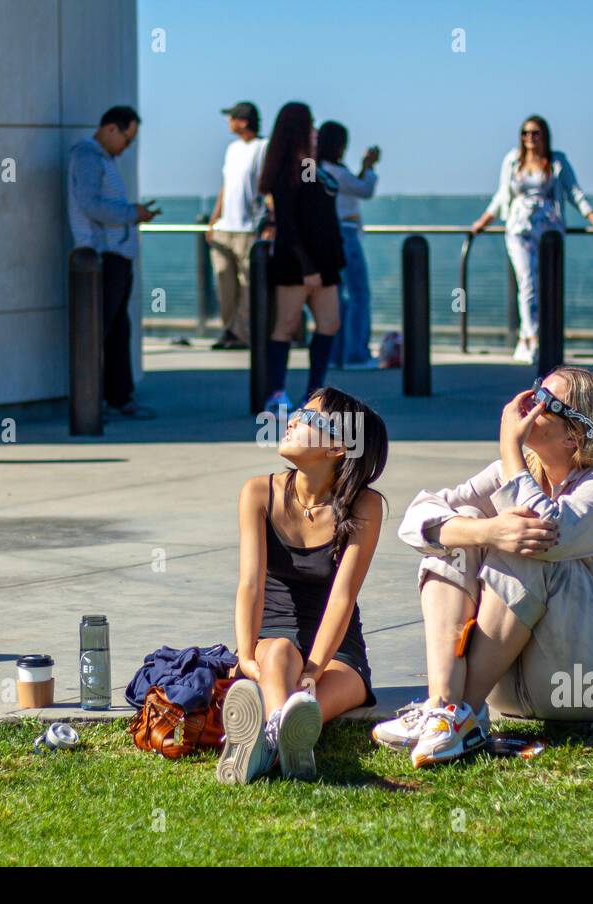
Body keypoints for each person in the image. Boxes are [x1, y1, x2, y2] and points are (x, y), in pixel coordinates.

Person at [375, 367, 593, 767]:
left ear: (575, 434)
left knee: (525, 540)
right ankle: (445, 707)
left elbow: (550, 532)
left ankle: (461, 713)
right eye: (532, 390)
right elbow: (417, 519)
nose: (524, 404)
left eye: (543, 400)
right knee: (464, 531)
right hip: (510, 691)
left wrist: (510, 449)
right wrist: (484, 530)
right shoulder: (519, 472)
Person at [218, 387, 389, 784]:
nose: (293, 419)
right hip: (273, 632)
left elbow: (342, 597)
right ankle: (287, 744)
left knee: (313, 701)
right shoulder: (259, 492)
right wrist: (246, 655)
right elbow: (250, 585)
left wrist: (313, 668)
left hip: (337, 646)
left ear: (337, 449)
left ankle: (269, 742)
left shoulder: (365, 506)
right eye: (298, 411)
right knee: (278, 655)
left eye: (311, 418)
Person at [472, 115, 593, 365]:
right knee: (527, 282)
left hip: (549, 231)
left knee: (545, 284)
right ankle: (532, 338)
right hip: (519, 228)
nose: (530, 138)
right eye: (525, 133)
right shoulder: (512, 161)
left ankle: (537, 336)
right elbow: (502, 196)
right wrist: (483, 222)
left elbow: (574, 193)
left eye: (535, 133)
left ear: (544, 136)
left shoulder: (557, 161)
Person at [67, 105, 161, 419]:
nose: (127, 147)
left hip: (115, 258)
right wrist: (132, 214)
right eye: (127, 138)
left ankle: (118, 396)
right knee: (102, 330)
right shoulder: (88, 156)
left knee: (118, 329)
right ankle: (93, 402)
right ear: (111, 129)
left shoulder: (102, 159)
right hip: (101, 259)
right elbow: (90, 204)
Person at [258, 103, 347, 415]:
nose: (315, 132)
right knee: (285, 325)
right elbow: (289, 224)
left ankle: (314, 395)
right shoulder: (287, 172)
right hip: (297, 264)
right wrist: (307, 268)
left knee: (329, 323)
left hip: (326, 263)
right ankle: (276, 393)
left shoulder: (314, 166)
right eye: (309, 126)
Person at [316, 121, 380, 370]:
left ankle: (336, 354)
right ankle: (356, 354)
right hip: (347, 233)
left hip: (328, 235)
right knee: (359, 294)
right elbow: (364, 189)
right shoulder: (337, 172)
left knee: (337, 297)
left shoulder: (318, 169)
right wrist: (369, 167)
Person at [206, 102, 268, 350]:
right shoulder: (231, 149)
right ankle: (228, 330)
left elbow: (266, 186)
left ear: (243, 121)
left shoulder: (263, 147)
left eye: (231, 118)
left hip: (249, 228)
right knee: (225, 284)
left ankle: (243, 333)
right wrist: (214, 219)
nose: (229, 122)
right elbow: (226, 185)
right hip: (225, 228)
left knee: (248, 285)